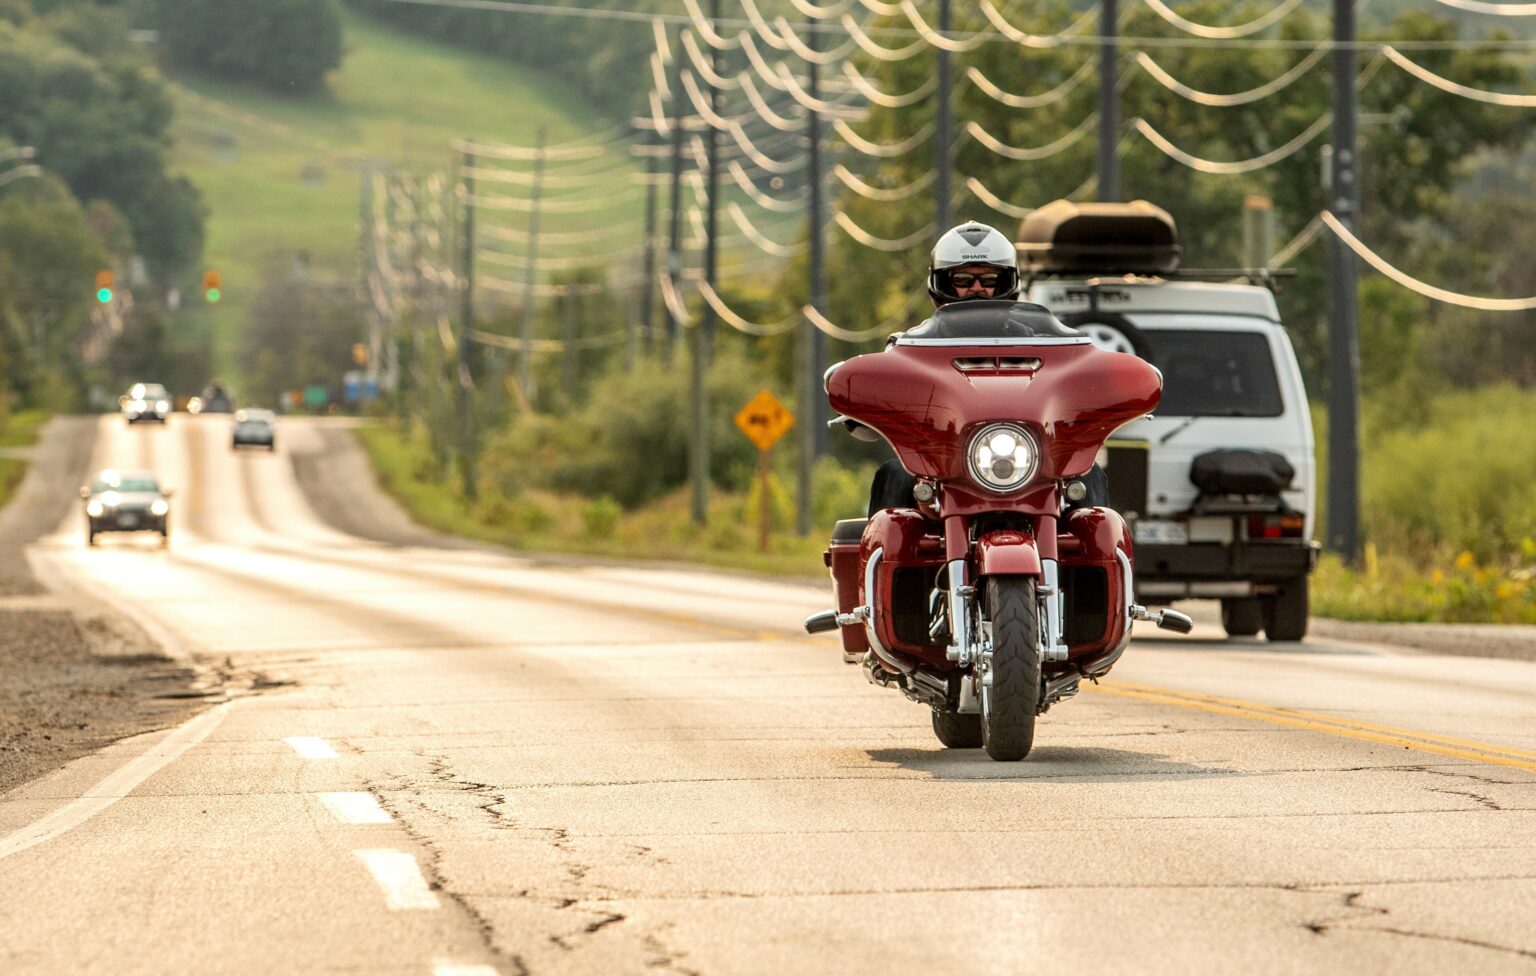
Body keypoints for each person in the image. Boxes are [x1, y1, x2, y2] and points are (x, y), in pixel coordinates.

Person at [865, 220, 1107, 515]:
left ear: (1007, 283)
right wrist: (869, 405)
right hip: (939, 462)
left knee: (1089, 473)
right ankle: (884, 560)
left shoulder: (1043, 345)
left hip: (1034, 460)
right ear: (941, 283)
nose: (977, 288)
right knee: (895, 474)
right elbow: (880, 386)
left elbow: (1075, 382)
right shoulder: (909, 347)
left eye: (990, 280)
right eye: (963, 280)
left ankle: (1100, 561)